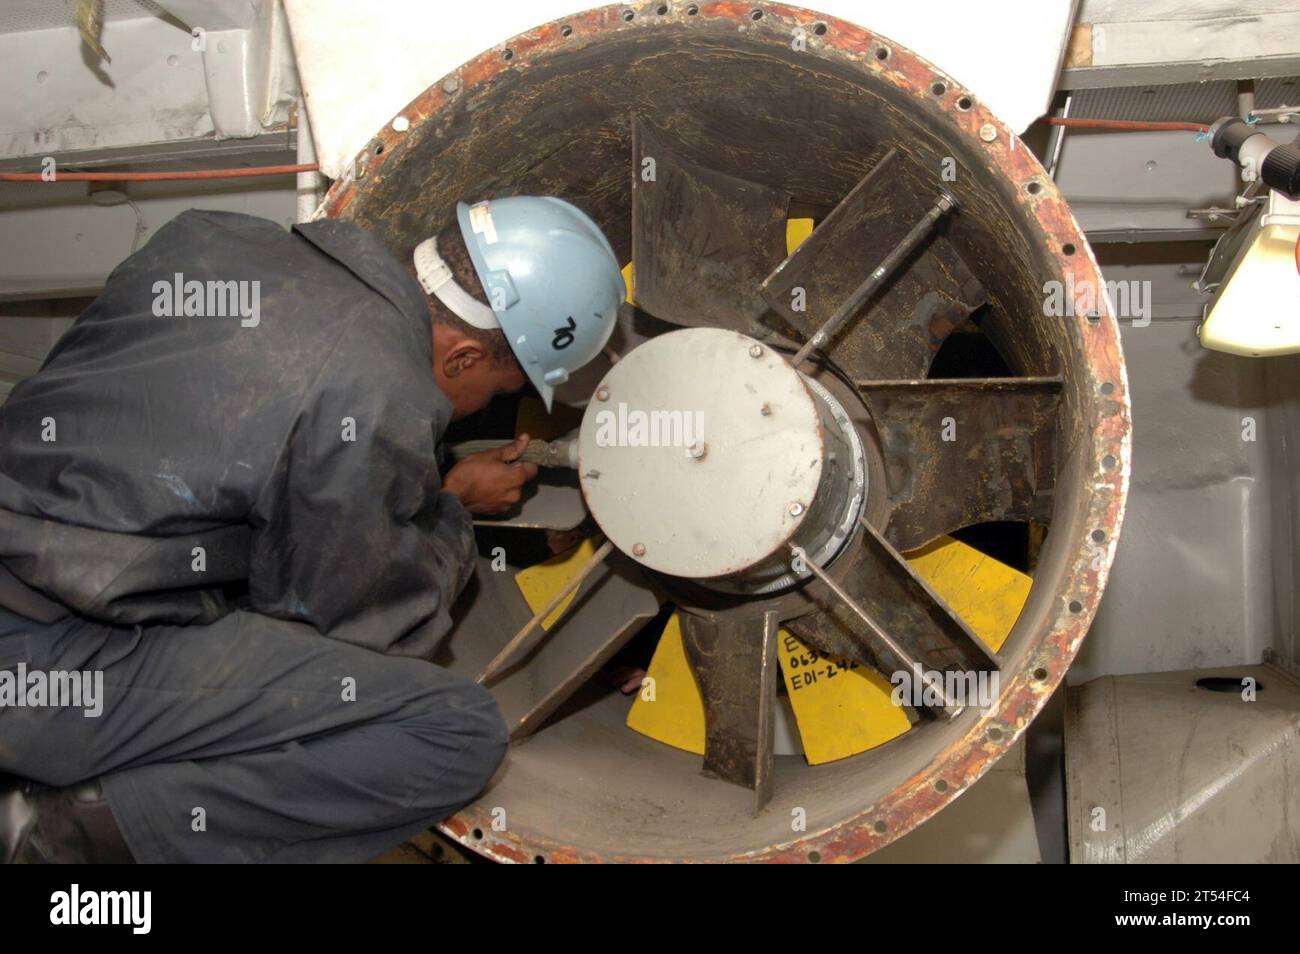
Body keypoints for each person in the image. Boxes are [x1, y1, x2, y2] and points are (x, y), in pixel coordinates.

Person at [0, 195, 625, 863]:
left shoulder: (214, 238)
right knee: (453, 731)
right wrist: (450, 514)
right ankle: (51, 835)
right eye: (502, 391)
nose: (487, 405)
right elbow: (369, 628)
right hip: (50, 657)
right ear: (467, 357)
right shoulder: (375, 390)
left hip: (37, 569)